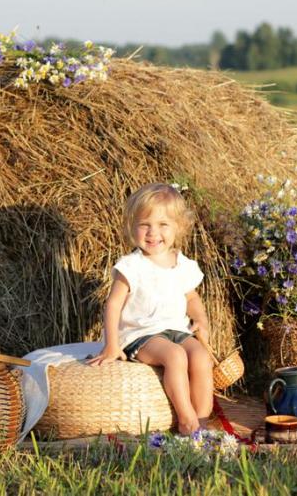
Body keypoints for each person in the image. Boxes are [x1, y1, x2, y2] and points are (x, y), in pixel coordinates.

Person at [87, 183, 213, 434]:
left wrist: (201, 321)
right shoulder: (131, 266)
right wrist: (112, 344)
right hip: (141, 335)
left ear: (179, 227)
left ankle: (204, 420)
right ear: (132, 227)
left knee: (201, 356)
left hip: (176, 329)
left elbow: (192, 299)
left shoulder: (183, 265)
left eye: (163, 225)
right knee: (175, 356)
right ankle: (186, 419)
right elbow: (113, 306)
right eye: (145, 224)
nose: (153, 233)